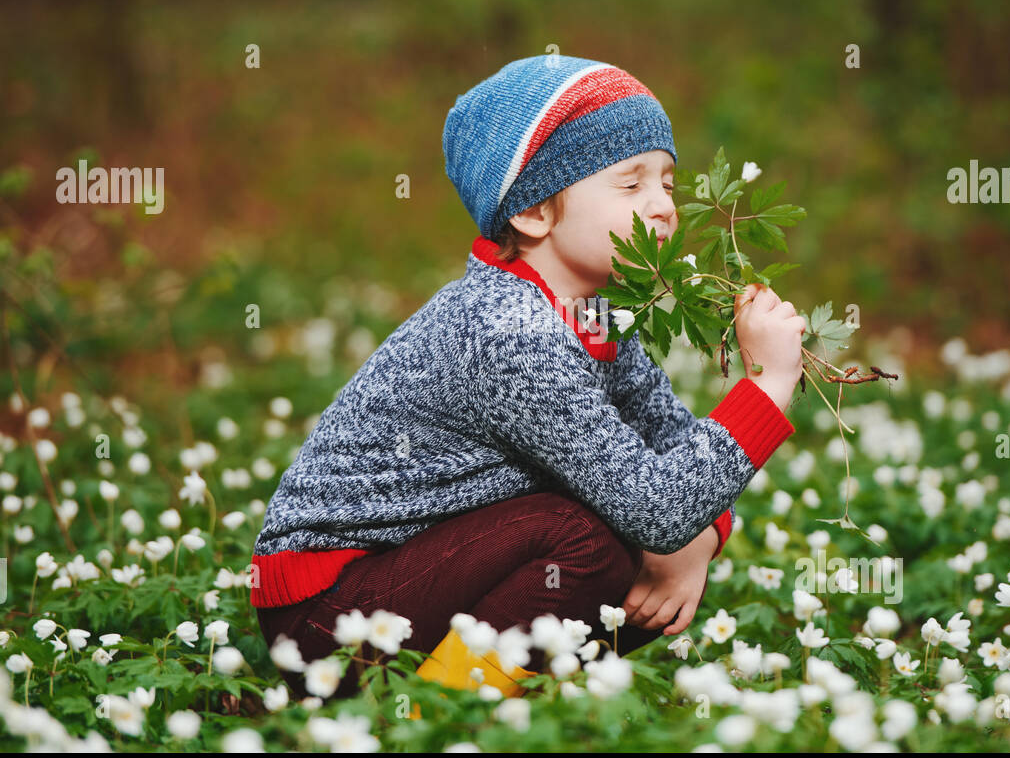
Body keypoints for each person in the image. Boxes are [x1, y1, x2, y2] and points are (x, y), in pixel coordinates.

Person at [251, 54, 806, 703]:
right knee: (588, 538)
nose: (662, 207)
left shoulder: (593, 312)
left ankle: (513, 702)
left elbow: (670, 444)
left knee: (613, 529)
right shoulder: (512, 328)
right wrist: (766, 386)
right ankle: (435, 715)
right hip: (325, 613)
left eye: (667, 184)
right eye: (631, 185)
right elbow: (657, 507)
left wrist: (701, 535)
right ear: (536, 212)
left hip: (415, 578)